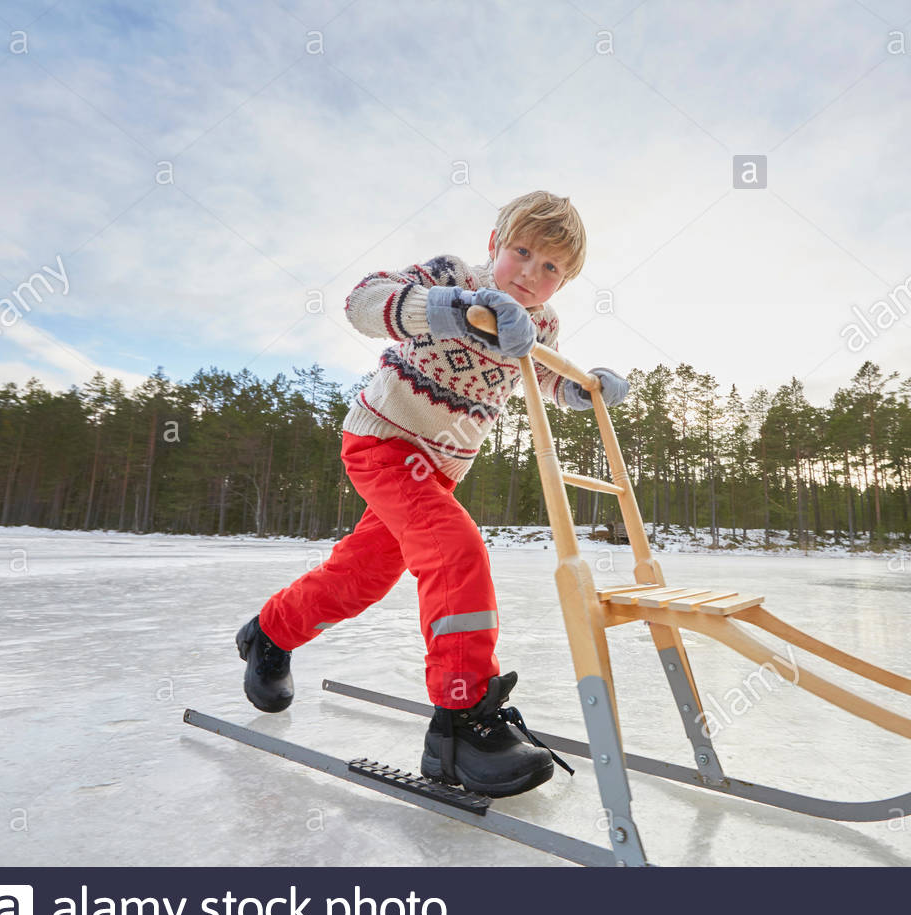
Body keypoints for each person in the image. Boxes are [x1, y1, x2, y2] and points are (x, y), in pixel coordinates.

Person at [233, 190, 629, 797]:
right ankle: (459, 726)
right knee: (456, 550)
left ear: (565, 281)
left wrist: (582, 388)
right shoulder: (452, 278)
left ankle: (272, 632)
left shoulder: (541, 322)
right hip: (383, 443)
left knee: (363, 576)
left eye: (551, 267)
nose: (530, 273)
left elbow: (542, 371)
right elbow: (363, 302)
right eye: (522, 252)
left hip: (438, 471)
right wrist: (451, 308)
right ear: (495, 244)